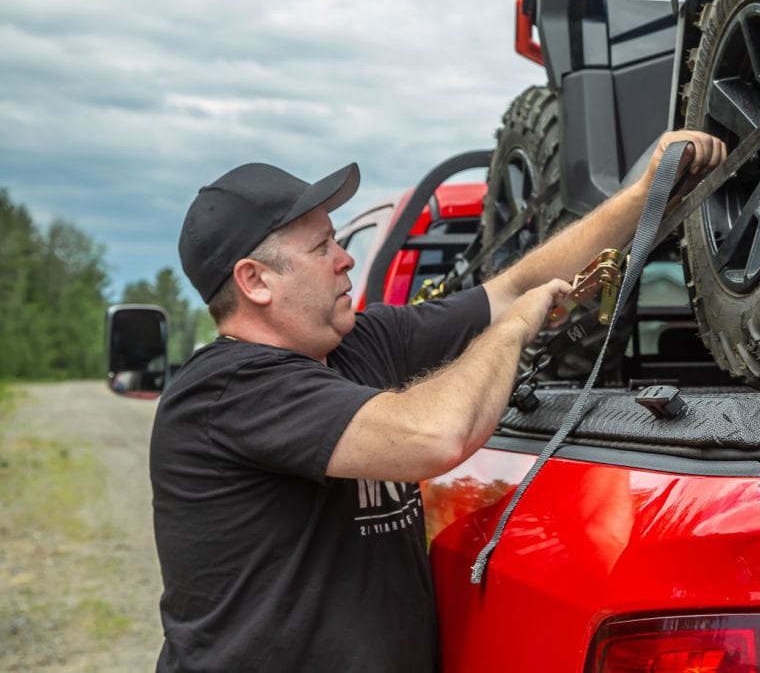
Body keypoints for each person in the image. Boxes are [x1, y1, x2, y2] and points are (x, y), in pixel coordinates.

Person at [150, 130, 726, 672]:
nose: (345, 258)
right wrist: (509, 333)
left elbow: (514, 289)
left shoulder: (358, 344)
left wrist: (643, 195)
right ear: (255, 280)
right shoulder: (227, 392)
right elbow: (433, 436)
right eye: (322, 246)